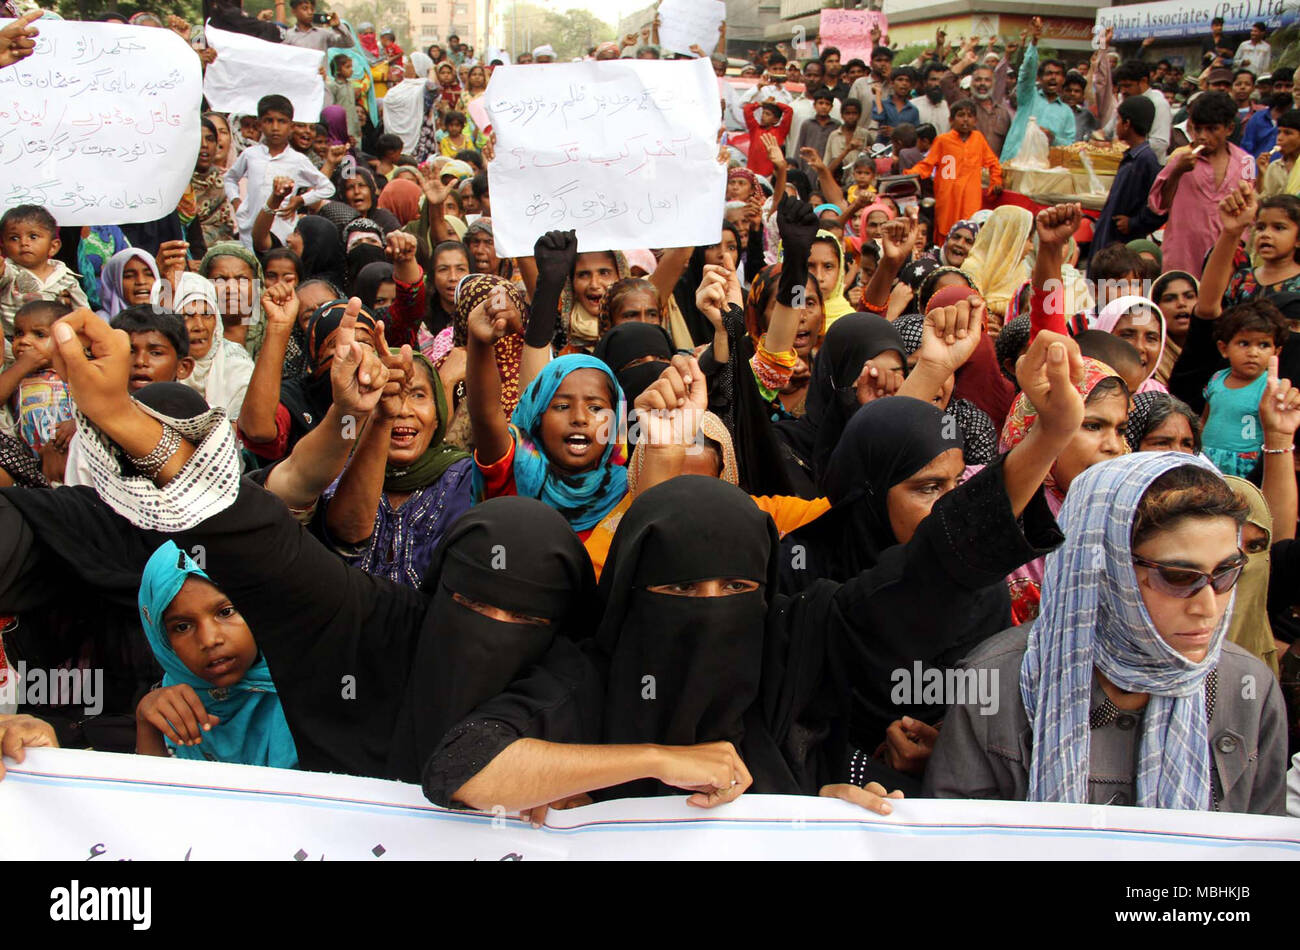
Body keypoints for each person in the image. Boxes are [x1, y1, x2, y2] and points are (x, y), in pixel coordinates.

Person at [925, 453, 1287, 814]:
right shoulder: (996, 683)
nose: (1208, 606)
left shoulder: (1248, 688)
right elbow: (958, 839)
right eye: (1178, 577)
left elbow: (1261, 841)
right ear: (1106, 570)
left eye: (1226, 572)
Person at [135, 541, 298, 769]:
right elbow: (150, 800)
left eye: (226, 611)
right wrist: (147, 725)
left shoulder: (308, 691)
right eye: (182, 626)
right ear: (162, 640)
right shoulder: (168, 707)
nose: (210, 640)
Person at [1149, 92, 1256, 279]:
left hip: (1226, 255)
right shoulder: (1180, 160)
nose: (1203, 137)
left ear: (1229, 129)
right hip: (1183, 254)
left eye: (1212, 129)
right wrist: (1177, 172)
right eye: (1198, 130)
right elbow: (1161, 205)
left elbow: (1249, 208)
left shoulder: (1246, 162)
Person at [224, 95, 335, 246]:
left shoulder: (297, 160)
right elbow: (230, 178)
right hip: (249, 228)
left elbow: (327, 187)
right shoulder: (250, 155)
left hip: (282, 230)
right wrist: (237, 202)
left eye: (281, 121)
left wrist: (300, 200)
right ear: (260, 124)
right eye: (269, 121)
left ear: (291, 126)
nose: (275, 127)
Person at [1201, 300, 1288, 476]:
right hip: (1207, 458)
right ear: (1224, 348)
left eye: (1263, 345)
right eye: (1244, 343)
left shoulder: (1271, 387)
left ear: (1276, 352)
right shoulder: (1217, 379)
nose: (1253, 353)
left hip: (1247, 463)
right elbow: (1205, 417)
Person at [154, 272, 254, 426]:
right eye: (187, 316)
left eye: (207, 314)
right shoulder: (154, 365)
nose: (199, 326)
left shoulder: (237, 365)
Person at [906, 99, 1002, 242]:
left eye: (969, 116)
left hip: (970, 196)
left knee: (970, 228)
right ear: (951, 120)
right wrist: (909, 175)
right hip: (948, 195)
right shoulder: (943, 140)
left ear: (975, 120)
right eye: (961, 115)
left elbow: (993, 163)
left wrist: (996, 182)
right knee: (945, 229)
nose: (965, 120)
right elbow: (927, 164)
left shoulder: (978, 139)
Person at [0, 205, 88, 360]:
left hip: (54, 350)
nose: (24, 243)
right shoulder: (9, 272)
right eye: (14, 238)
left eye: (33, 236)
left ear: (53, 247)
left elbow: (83, 313)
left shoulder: (65, 277)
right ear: (4, 247)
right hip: (12, 350)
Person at [1000, 17, 1075, 160]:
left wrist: (1053, 138)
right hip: (1015, 162)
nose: (1053, 77)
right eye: (1048, 74)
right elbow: (1027, 72)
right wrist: (1034, 42)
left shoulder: (1067, 112)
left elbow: (1071, 144)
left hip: (1044, 170)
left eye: (1058, 74)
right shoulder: (1028, 97)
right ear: (1039, 78)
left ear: (1063, 80)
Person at [1114, 59, 1172, 162]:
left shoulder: (1159, 104)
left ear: (1143, 81)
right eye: (1121, 86)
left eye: (1127, 86)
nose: (1123, 91)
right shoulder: (1124, 100)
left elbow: (1160, 143)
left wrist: (1130, 148)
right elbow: (1111, 132)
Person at [280, 0, 354, 51]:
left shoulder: (324, 34)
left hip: (321, 73)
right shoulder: (288, 36)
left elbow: (349, 43)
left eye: (312, 9)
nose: (310, 12)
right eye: (305, 8)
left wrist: (338, 26)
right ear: (293, 11)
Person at [1257, 109, 1300, 197]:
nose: (1279, 138)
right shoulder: (1274, 167)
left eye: (1287, 133)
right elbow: (1265, 200)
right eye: (1279, 132)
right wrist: (1262, 174)